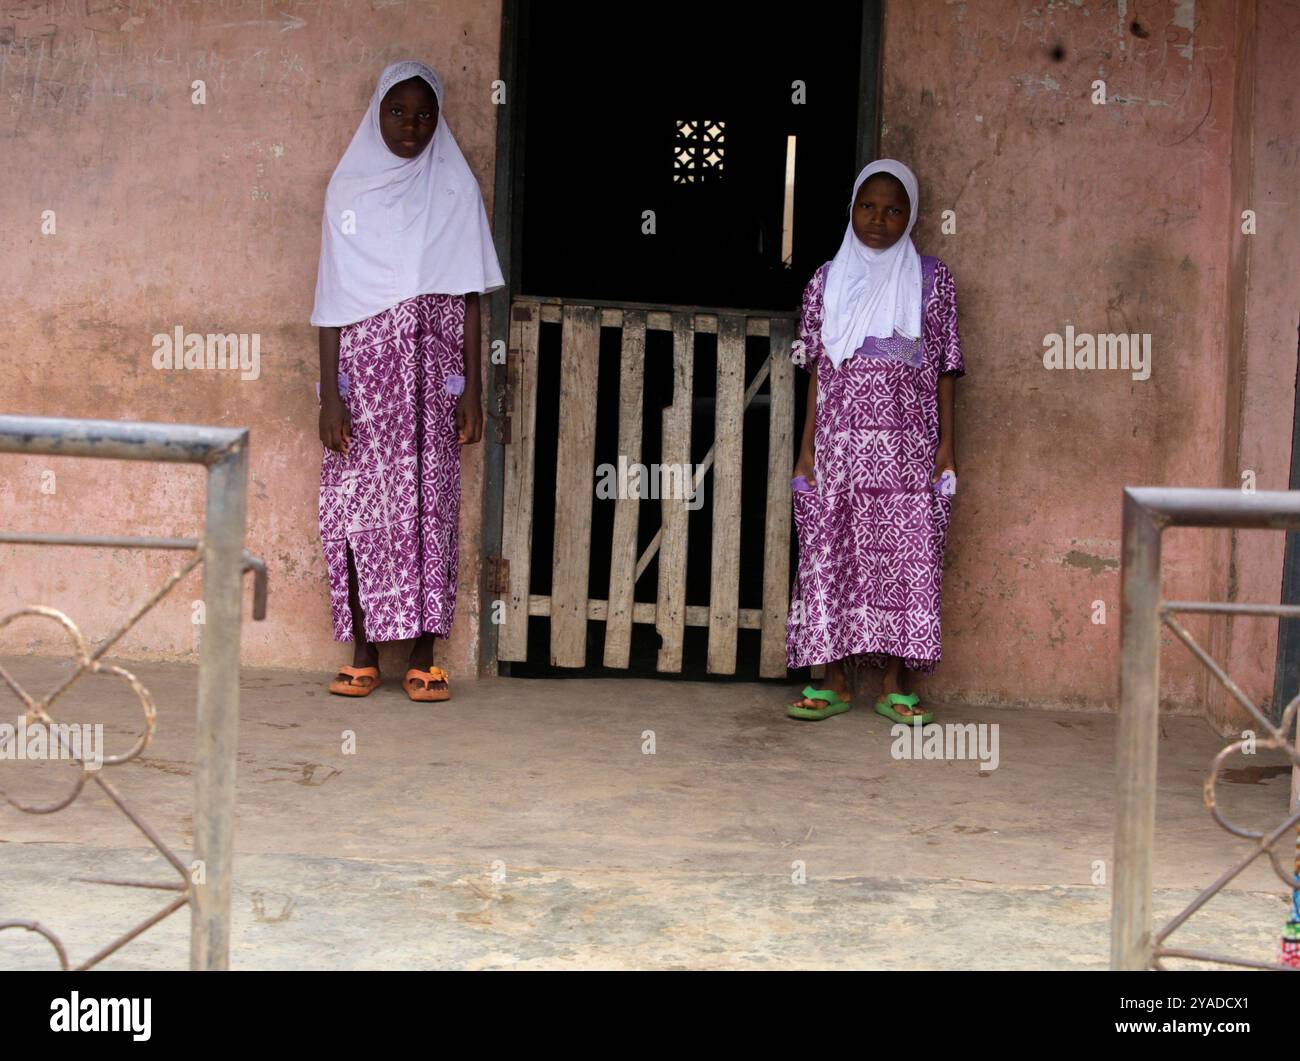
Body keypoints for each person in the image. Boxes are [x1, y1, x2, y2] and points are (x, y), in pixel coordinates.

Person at [312, 60, 503, 703]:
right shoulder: (348, 192)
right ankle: (362, 652)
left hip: (435, 378)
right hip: (364, 382)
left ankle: (426, 656)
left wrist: (473, 390)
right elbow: (331, 298)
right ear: (376, 115)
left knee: (430, 508)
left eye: (425, 114)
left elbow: (472, 295)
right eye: (397, 112)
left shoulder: (454, 189)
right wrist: (330, 395)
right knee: (360, 510)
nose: (412, 126)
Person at [785, 159, 963, 723]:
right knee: (829, 551)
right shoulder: (825, 280)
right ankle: (833, 681)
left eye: (893, 209)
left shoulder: (933, 280)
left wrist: (946, 447)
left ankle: (895, 684)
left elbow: (946, 370)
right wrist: (807, 446)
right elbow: (817, 368)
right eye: (868, 206)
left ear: (910, 216)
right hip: (839, 445)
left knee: (909, 557)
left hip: (908, 447)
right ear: (851, 211)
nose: (879, 220)